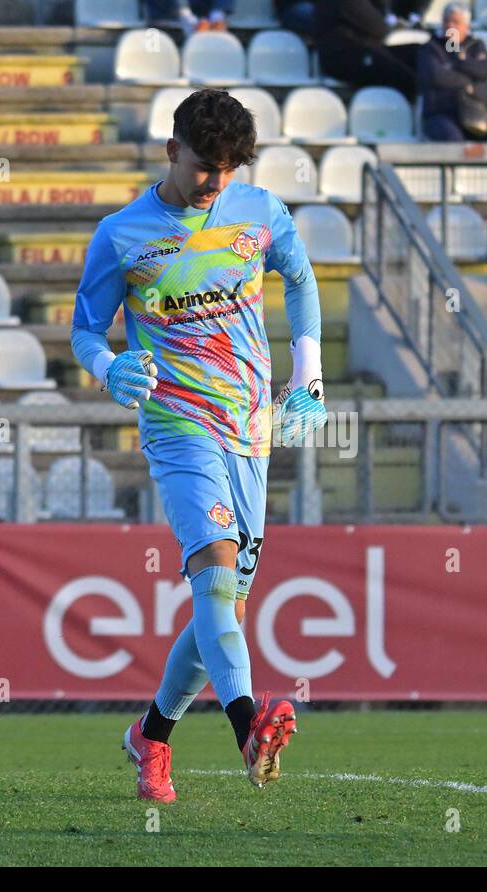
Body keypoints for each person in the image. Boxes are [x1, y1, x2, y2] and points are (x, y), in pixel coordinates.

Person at [71, 89, 319, 802]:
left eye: (229, 170)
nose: (216, 183)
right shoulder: (122, 235)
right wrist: (106, 366)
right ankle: (248, 726)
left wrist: (310, 378)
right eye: (206, 167)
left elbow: (300, 281)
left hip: (252, 427)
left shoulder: (261, 212)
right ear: (172, 150)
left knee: (224, 609)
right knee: (213, 570)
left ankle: (150, 736)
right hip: (179, 425)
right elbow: (87, 328)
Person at [417, 3, 487, 141]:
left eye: (455, 22)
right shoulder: (431, 47)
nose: (450, 26)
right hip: (442, 114)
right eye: (447, 21)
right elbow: (437, 76)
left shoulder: (476, 45)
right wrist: (470, 80)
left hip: (477, 114)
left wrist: (458, 64)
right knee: (453, 138)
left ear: (466, 26)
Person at [314, 0, 422, 101]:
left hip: (369, 49)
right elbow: (380, 29)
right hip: (343, 57)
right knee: (406, 77)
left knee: (421, 54)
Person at [147, 0, 236, 35]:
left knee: (216, 16)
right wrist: (184, 12)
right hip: (166, 15)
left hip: (204, 14)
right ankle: (191, 21)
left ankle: (216, 18)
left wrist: (216, 14)